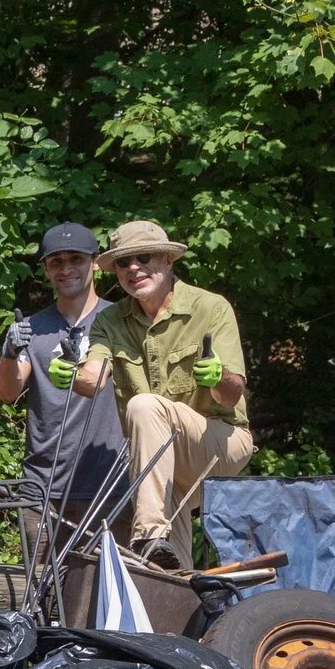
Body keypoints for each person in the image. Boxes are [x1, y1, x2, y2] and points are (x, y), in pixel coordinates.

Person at [74, 220, 253, 570]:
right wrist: (71, 376)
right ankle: (177, 604)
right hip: (160, 462)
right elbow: (93, 378)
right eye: (123, 263)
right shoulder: (110, 321)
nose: (133, 268)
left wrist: (218, 377)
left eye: (143, 257)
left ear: (168, 261)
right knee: (168, 572)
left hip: (220, 445)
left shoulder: (210, 308)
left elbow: (231, 396)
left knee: (144, 406)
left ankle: (148, 535)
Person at [0, 223, 126, 558]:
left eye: (76, 259)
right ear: (46, 270)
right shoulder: (33, 328)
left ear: (95, 262)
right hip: (43, 487)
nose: (66, 269)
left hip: (110, 482)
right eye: (56, 262)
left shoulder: (121, 321)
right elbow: (7, 392)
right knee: (40, 594)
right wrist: (9, 353)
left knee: (105, 594)